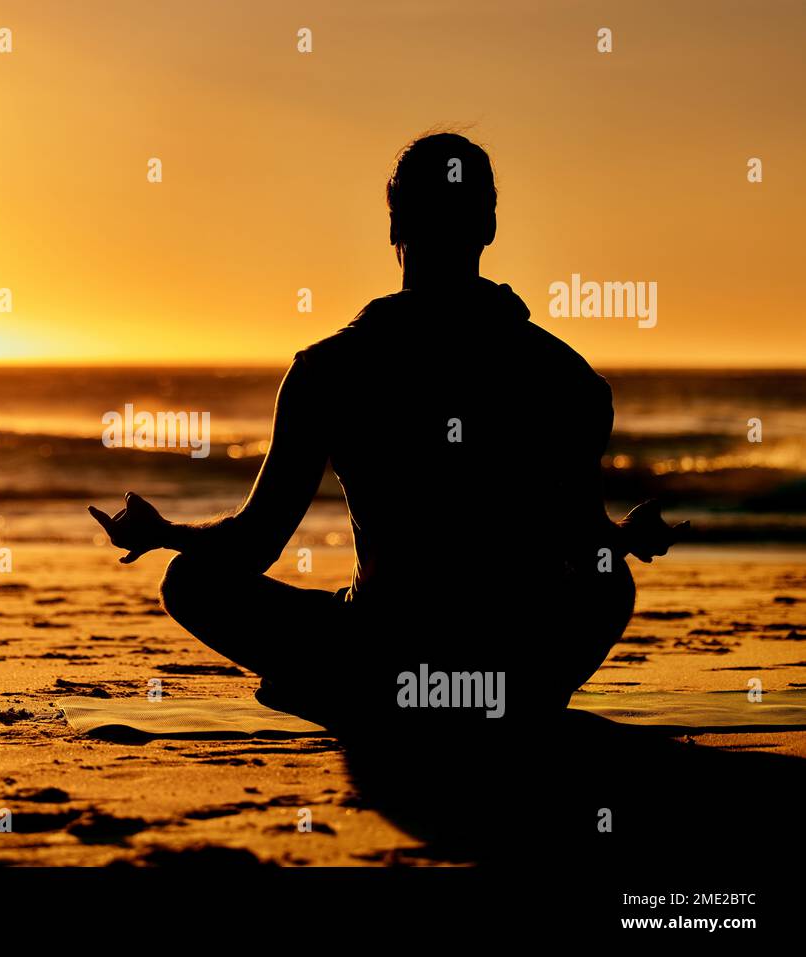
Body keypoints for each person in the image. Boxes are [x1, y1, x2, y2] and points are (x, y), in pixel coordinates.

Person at [89, 132, 686, 729]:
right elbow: (585, 544)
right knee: (610, 583)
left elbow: (254, 543)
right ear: (490, 225)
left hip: (383, 649)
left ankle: (349, 687)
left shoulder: (329, 369)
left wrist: (166, 533)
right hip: (512, 654)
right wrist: (627, 535)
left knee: (190, 580)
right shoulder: (567, 378)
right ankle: (494, 700)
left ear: (395, 225)